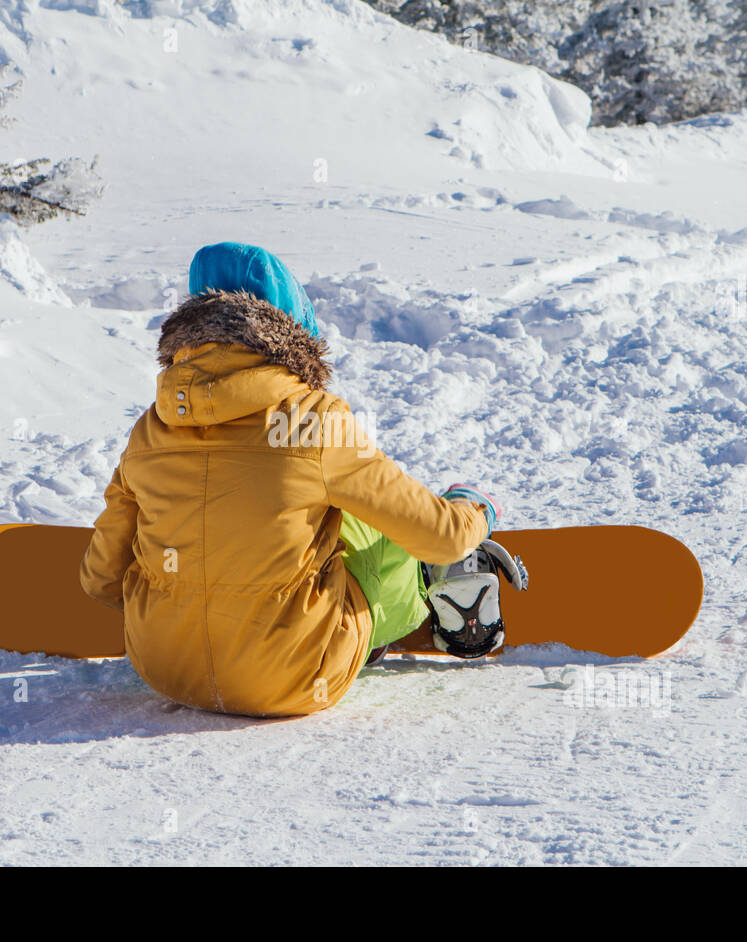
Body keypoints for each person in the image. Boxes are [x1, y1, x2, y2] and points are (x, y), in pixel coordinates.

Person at [80, 241, 515, 718]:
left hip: (164, 671)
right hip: (297, 677)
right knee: (365, 520)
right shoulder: (314, 421)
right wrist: (473, 509)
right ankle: (448, 584)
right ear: (293, 324)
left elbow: (101, 580)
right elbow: (441, 536)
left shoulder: (151, 427)